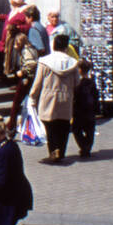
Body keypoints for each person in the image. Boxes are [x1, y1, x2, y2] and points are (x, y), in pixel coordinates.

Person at [28, 34, 81, 163]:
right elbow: (76, 82)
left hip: (48, 97)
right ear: (66, 47)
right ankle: (61, 150)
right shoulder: (73, 63)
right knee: (63, 125)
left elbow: (38, 82)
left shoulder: (44, 62)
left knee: (50, 125)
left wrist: (32, 98)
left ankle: (53, 150)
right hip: (66, 97)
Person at [0, 0, 34, 78]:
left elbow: (29, 26)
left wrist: (18, 28)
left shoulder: (25, 12)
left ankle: (16, 81)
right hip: (4, 41)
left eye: (12, 0)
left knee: (15, 61)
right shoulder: (14, 10)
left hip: (14, 41)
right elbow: (9, 18)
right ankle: (0, 73)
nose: (11, 2)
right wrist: (0, 17)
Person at [72, 59, 99, 158]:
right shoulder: (92, 82)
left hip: (79, 110)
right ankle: (87, 147)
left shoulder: (78, 84)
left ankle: (84, 146)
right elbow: (96, 96)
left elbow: (75, 97)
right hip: (90, 110)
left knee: (76, 129)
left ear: (79, 70)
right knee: (90, 130)